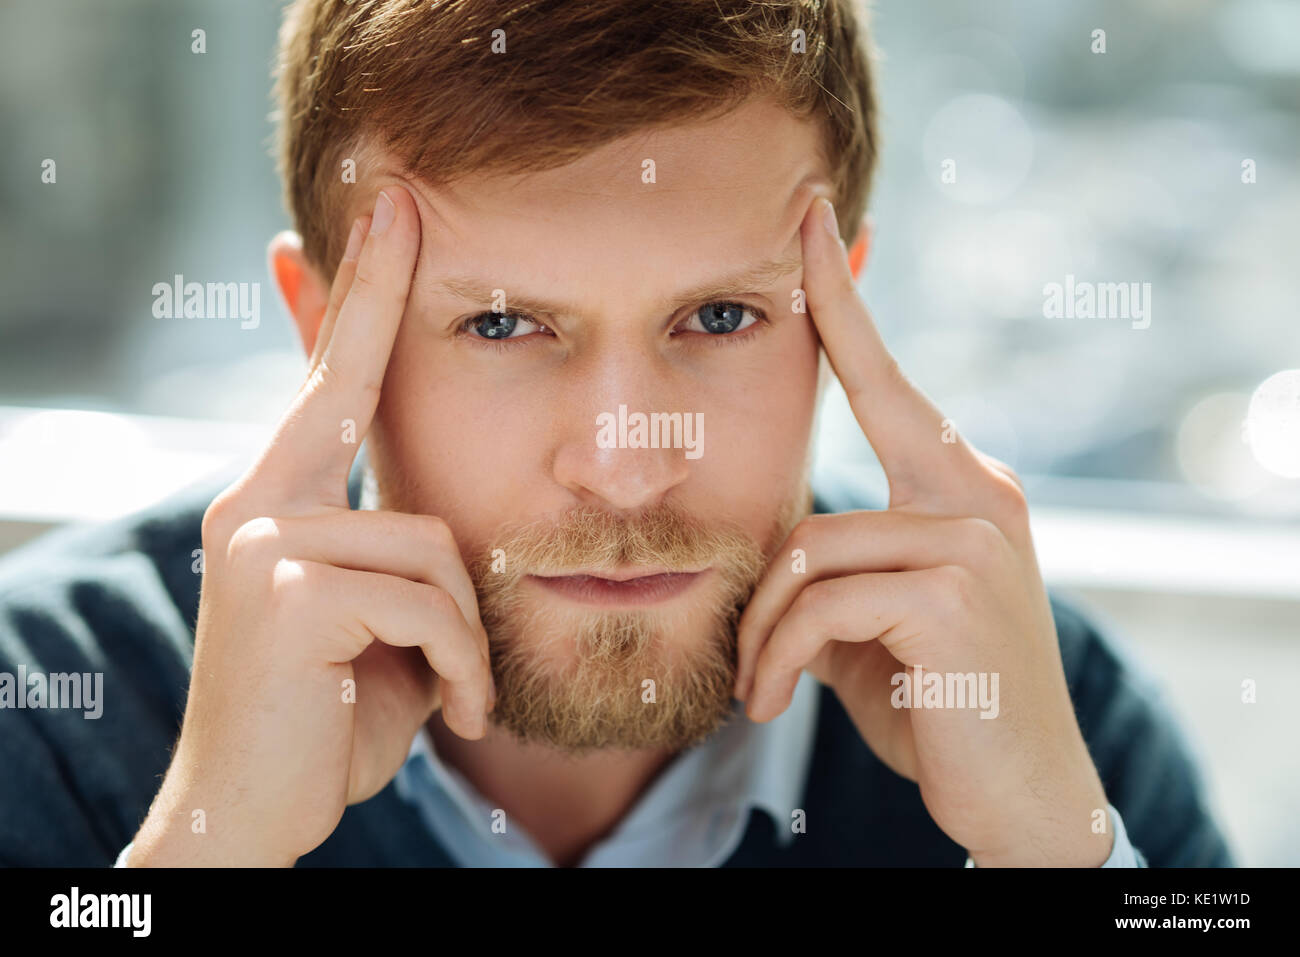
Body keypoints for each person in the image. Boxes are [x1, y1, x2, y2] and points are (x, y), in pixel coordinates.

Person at [0, 0, 1232, 867]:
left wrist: (1048, 855)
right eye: (499, 326)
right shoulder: (46, 703)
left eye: (719, 314)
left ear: (839, 316)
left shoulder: (1047, 708)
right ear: (326, 336)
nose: (626, 460)